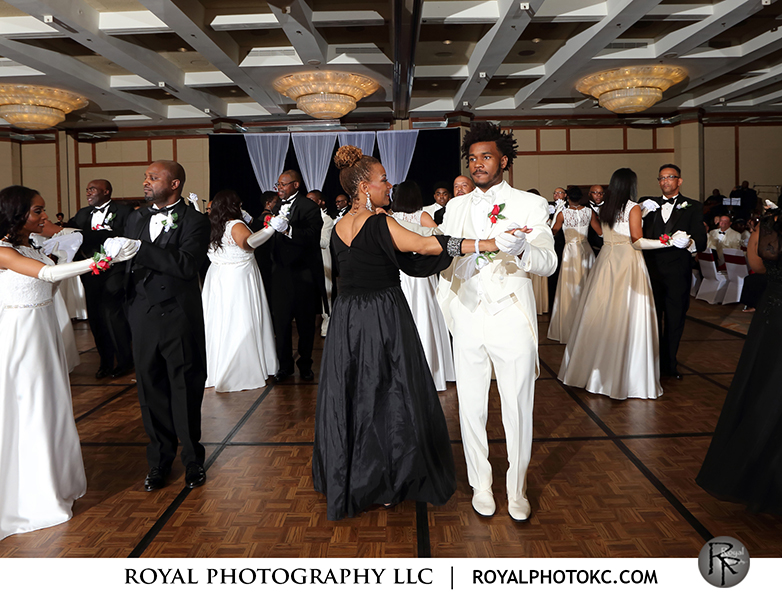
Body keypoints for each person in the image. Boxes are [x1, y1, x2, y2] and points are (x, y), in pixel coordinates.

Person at [313, 145, 502, 521]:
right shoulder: (380, 223)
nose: (390, 184)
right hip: (382, 314)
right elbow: (427, 245)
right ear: (365, 186)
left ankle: (350, 475)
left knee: (352, 396)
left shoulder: (337, 228)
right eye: (383, 180)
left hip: (346, 319)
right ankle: (384, 480)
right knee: (387, 395)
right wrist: (486, 244)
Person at [0, 185, 135, 541]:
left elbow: (61, 258)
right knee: (28, 407)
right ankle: (26, 494)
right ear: (15, 213)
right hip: (21, 334)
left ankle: (53, 480)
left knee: (50, 407)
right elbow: (46, 276)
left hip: (43, 329)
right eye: (36, 211)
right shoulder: (3, 250)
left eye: (42, 210)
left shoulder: (31, 245)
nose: (44, 217)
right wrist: (101, 260)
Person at [437, 122, 557, 521]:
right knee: (470, 407)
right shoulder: (455, 207)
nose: (478, 164)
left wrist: (523, 248)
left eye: (486, 157)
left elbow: (548, 262)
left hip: (511, 314)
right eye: (472, 158)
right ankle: (481, 484)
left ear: (503, 160)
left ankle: (517, 488)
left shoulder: (529, 204)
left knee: (518, 408)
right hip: (469, 313)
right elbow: (442, 257)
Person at [119, 160, 211, 492]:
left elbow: (187, 265)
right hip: (142, 313)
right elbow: (125, 260)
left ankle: (192, 460)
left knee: (184, 386)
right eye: (145, 176)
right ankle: (159, 461)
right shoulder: (135, 217)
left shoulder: (196, 221)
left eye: (153, 177)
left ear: (174, 184)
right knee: (149, 386)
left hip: (177, 314)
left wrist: (141, 250)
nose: (145, 182)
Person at [559, 168, 687, 400]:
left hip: (606, 260)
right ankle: (626, 376)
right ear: (632, 185)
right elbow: (637, 242)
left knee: (602, 313)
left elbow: (605, 234)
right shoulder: (633, 207)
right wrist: (667, 242)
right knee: (629, 315)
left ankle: (595, 371)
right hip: (627, 262)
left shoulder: (606, 207)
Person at [697, 211, 782, 513]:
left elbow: (756, 265)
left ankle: (755, 476)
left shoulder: (770, 224)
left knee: (762, 390)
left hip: (772, 316)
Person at [203, 190, 278, 392]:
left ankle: (218, 366)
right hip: (238, 278)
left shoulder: (212, 224)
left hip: (218, 277)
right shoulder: (235, 225)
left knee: (221, 322)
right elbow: (248, 244)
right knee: (240, 320)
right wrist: (271, 229)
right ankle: (241, 368)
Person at [64, 179, 134, 379]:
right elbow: (75, 239)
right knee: (95, 317)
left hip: (115, 270)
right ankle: (104, 362)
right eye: (87, 189)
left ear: (106, 191)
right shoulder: (82, 214)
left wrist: (100, 236)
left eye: (93, 189)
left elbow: (124, 236)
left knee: (113, 315)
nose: (88, 192)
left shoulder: (124, 211)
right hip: (90, 271)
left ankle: (124, 361)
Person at [642, 164, 707, 380]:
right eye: (661, 178)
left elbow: (702, 240)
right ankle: (648, 364)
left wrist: (688, 243)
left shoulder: (694, 207)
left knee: (674, 319)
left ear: (679, 181)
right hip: (650, 271)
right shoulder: (648, 206)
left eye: (670, 177)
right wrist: (642, 212)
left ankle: (669, 365)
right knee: (650, 319)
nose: (665, 181)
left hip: (678, 272)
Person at [390, 180, 456, 392]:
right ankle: (431, 370)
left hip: (399, 271)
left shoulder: (390, 219)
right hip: (420, 273)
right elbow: (441, 242)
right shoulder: (423, 217)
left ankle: (403, 373)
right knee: (424, 316)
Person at [268, 170, 326, 382]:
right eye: (278, 184)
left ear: (295, 185)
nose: (280, 188)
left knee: (305, 324)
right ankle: (284, 366)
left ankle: (305, 364)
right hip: (281, 275)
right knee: (281, 324)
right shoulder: (275, 206)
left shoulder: (309, 207)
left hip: (303, 275)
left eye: (283, 184)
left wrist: (288, 230)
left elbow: (312, 237)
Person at [547, 186, 600, 344]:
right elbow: (600, 232)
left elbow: (553, 231)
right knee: (587, 287)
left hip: (570, 252)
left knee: (569, 288)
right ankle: (589, 327)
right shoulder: (589, 212)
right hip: (586, 250)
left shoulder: (563, 214)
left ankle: (568, 326)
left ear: (568, 197)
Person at [307, 190, 334, 337]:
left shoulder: (327, 219)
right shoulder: (305, 218)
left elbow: (324, 242)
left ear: (320, 202)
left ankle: (327, 320)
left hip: (322, 258)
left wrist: (305, 235)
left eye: (312, 199)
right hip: (308, 259)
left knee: (326, 292)